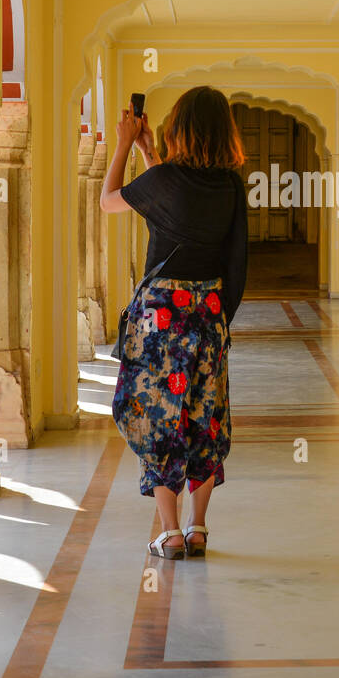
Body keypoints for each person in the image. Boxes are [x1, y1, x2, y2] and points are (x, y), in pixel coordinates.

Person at [101, 86, 249, 559]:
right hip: (208, 313)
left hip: (160, 319)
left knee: (158, 416)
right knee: (205, 417)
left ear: (179, 128)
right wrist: (148, 152)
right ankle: (198, 527)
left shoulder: (164, 179)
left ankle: (168, 531)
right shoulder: (229, 186)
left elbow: (109, 201)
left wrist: (124, 143)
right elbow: (233, 256)